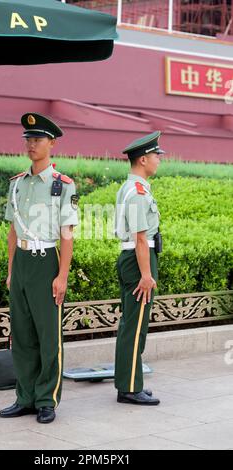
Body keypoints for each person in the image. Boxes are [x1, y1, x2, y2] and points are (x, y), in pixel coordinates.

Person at [0, 113, 79, 424]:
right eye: (28, 139)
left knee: (48, 336)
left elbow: (67, 234)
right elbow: (12, 231)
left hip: (46, 261)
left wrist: (62, 275)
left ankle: (47, 400)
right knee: (21, 334)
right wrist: (10, 269)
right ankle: (25, 397)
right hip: (21, 263)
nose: (32, 144)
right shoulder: (17, 184)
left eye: (38, 139)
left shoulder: (62, 185)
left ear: (52, 143)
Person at [114, 131, 165, 406]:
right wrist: (146, 275)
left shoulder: (132, 187)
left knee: (132, 324)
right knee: (135, 327)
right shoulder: (137, 191)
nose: (159, 160)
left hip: (135, 257)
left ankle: (128, 383)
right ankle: (130, 387)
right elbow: (141, 238)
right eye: (156, 155)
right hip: (138, 259)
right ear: (143, 159)